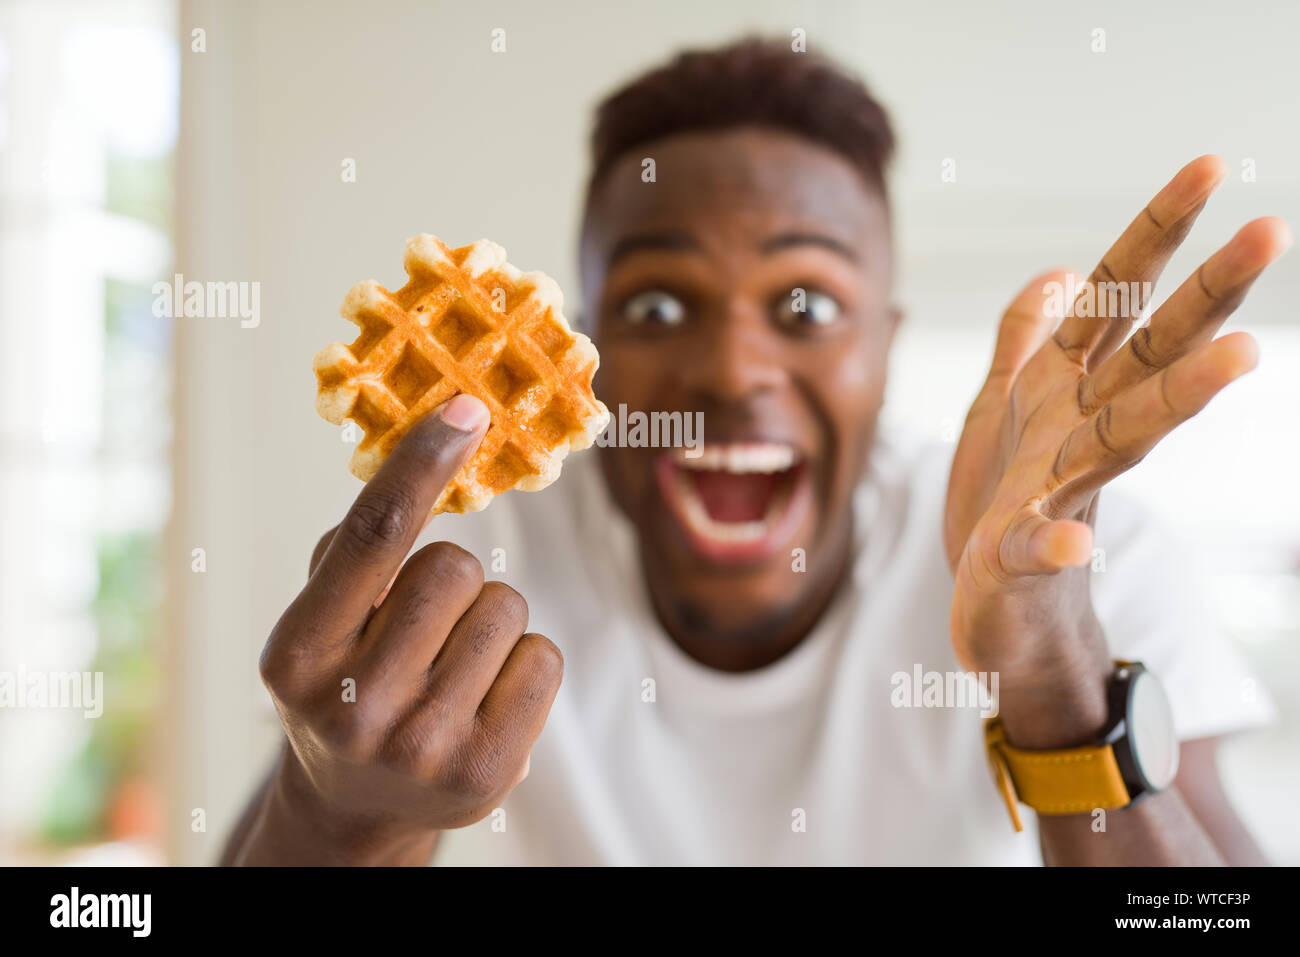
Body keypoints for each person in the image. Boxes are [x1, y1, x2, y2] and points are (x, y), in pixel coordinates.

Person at [222, 39, 1288, 866]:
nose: (732, 371)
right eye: (652, 302)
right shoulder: (469, 574)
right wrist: (335, 819)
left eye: (808, 302)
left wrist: (1056, 681)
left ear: (885, 346)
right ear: (580, 346)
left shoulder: (1074, 555)